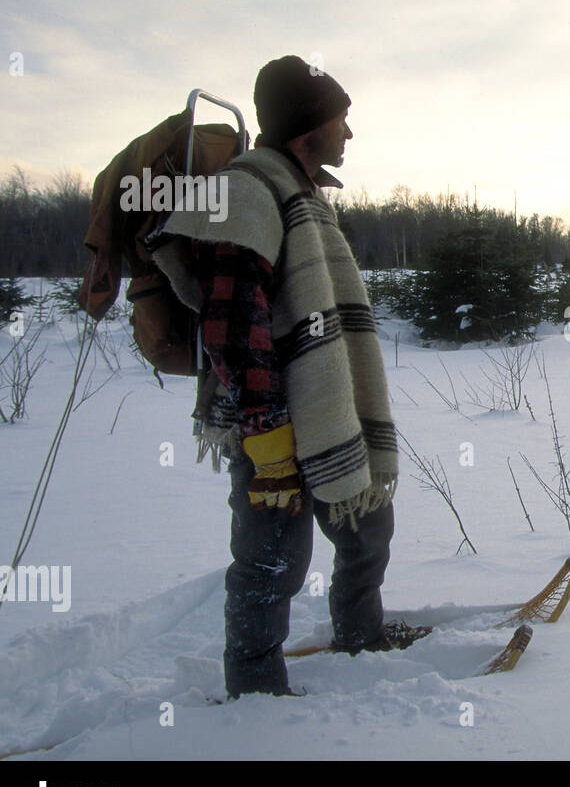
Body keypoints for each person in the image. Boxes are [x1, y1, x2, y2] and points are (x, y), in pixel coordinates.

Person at [153, 55, 400, 698]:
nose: (349, 133)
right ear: (305, 126)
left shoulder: (306, 193)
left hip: (327, 410)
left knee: (367, 527)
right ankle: (257, 690)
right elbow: (234, 323)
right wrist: (268, 445)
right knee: (274, 558)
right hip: (273, 419)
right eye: (341, 119)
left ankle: (360, 634)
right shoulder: (248, 189)